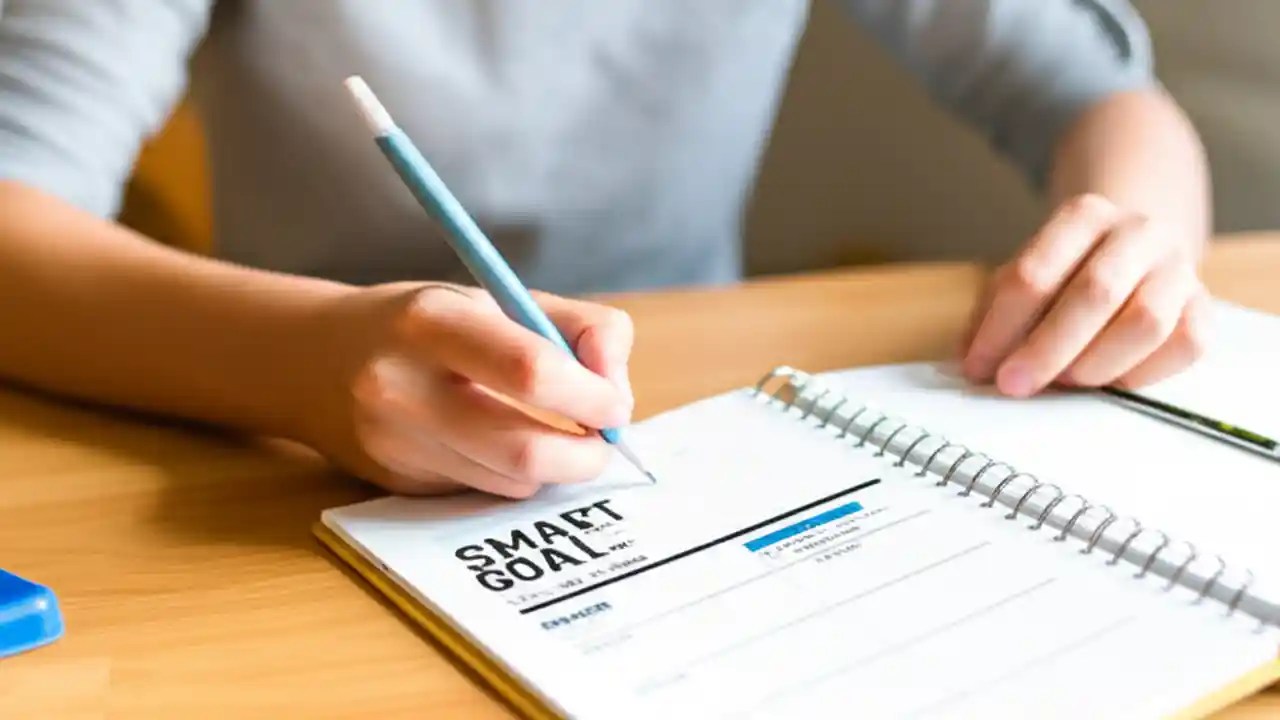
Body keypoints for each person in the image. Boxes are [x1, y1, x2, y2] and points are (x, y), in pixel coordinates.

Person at [0, 1, 1210, 500]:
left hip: (686, 396)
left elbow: (1096, 95)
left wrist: (1135, 236)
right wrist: (304, 365)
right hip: (290, 453)